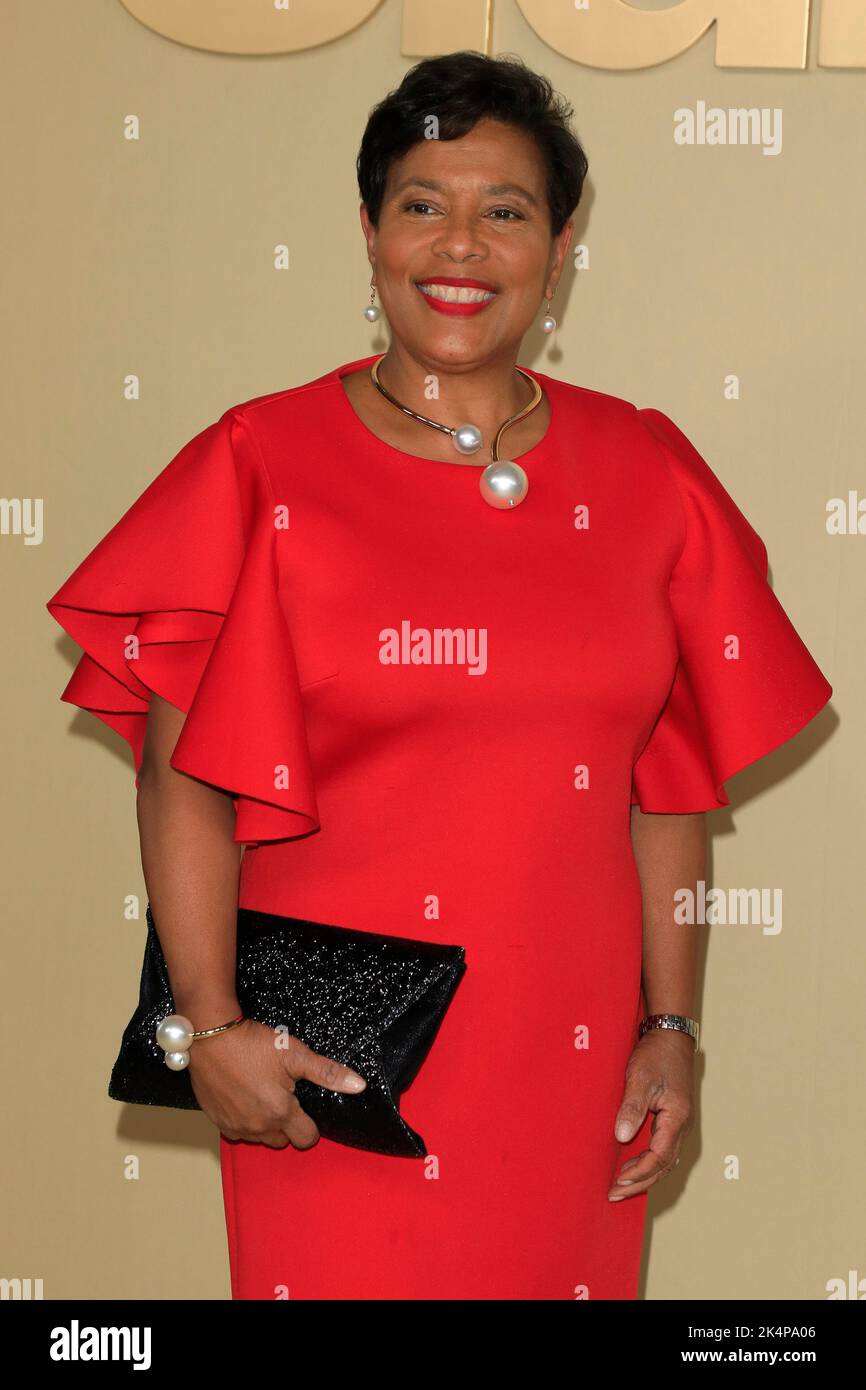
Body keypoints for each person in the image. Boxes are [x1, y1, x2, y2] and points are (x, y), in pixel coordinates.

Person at [46, 51, 833, 1300]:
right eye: (422, 203)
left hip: (567, 1075)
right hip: (337, 1075)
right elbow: (178, 778)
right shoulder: (258, 465)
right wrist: (203, 1026)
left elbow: (665, 789)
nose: (458, 243)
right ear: (368, 232)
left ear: (559, 243)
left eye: (504, 210)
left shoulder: (648, 473)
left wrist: (669, 1028)